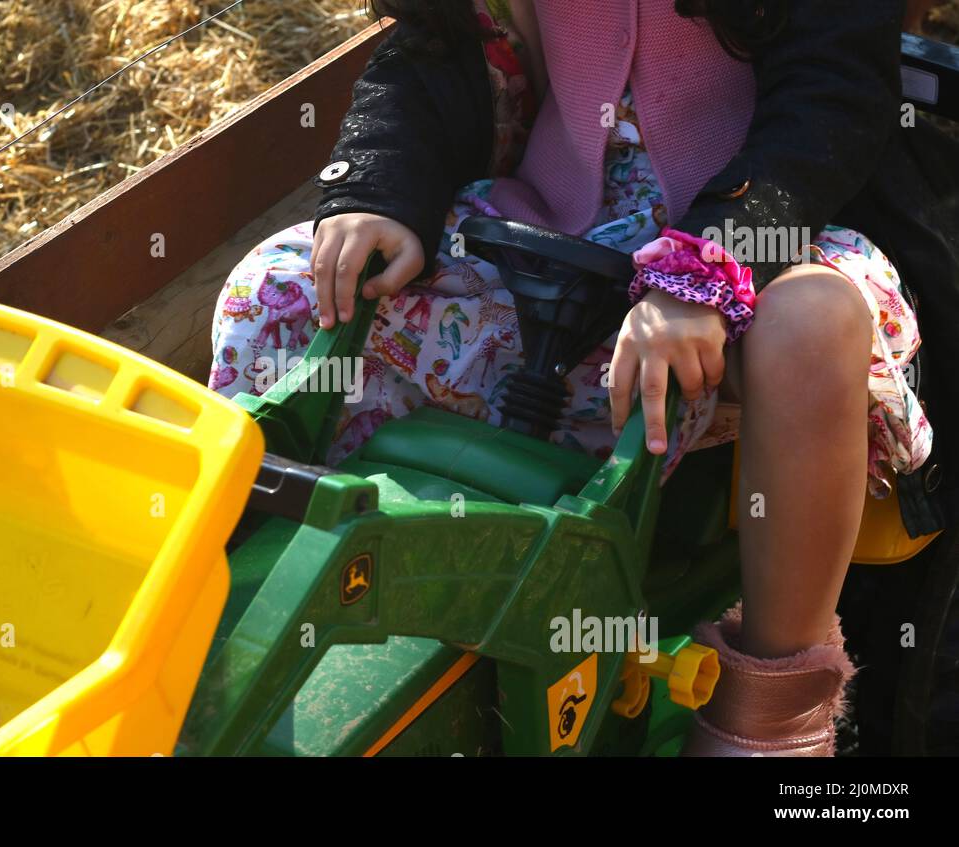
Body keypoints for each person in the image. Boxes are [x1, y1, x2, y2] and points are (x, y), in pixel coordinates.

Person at [207, 0, 959, 755]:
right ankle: (237, 562)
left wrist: (705, 267)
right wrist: (380, 190)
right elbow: (440, 47)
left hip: (767, 238)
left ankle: (771, 712)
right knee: (278, 283)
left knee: (812, 325)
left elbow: (832, 100)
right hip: (547, 234)